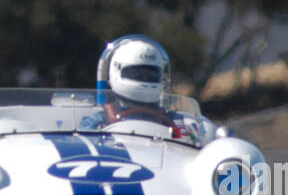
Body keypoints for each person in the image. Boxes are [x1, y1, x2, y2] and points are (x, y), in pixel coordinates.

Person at [80, 37, 212, 144]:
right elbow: (81, 147)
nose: (145, 79)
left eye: (152, 76)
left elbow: (197, 140)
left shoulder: (175, 121)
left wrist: (197, 134)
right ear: (117, 71)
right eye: (137, 74)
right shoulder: (100, 120)